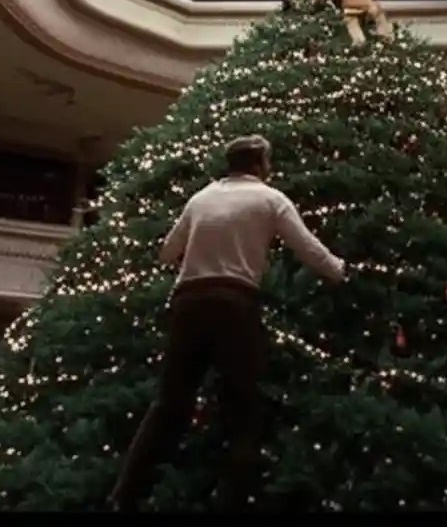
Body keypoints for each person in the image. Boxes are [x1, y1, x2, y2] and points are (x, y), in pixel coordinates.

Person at [109, 135, 347, 512]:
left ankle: (125, 496)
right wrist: (338, 271)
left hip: (187, 302)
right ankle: (234, 499)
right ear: (260, 164)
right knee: (244, 405)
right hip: (234, 303)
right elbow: (308, 247)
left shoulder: (200, 198)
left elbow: (167, 252)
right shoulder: (270, 199)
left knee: (169, 403)